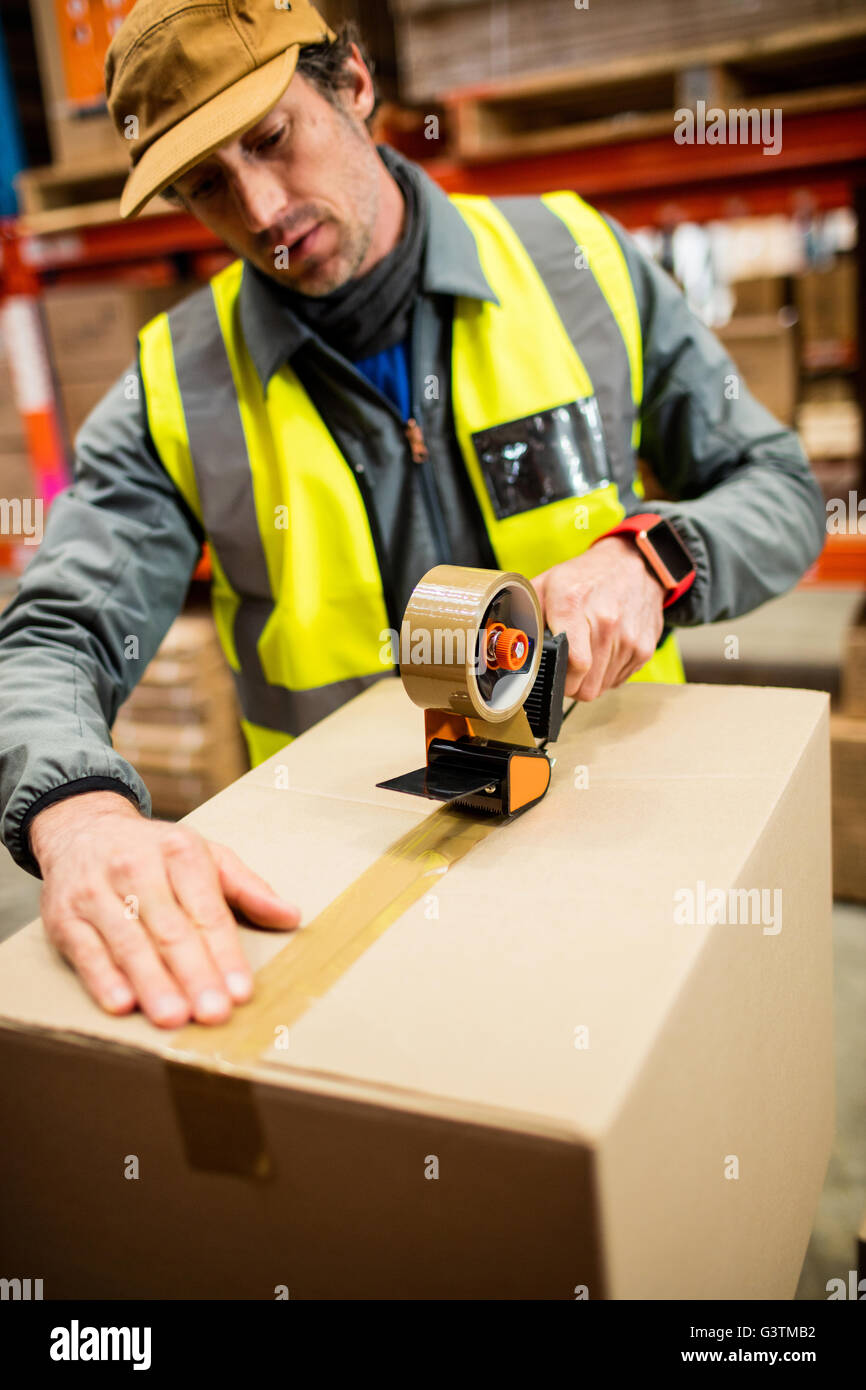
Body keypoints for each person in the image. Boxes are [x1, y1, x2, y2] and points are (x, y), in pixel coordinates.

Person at [0, 0, 825, 1029]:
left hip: (618, 829)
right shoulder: (177, 383)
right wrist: (76, 816)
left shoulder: (575, 262)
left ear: (353, 84)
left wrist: (649, 562)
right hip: (348, 883)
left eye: (269, 139)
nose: (257, 210)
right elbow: (55, 631)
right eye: (204, 184)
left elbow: (777, 484)